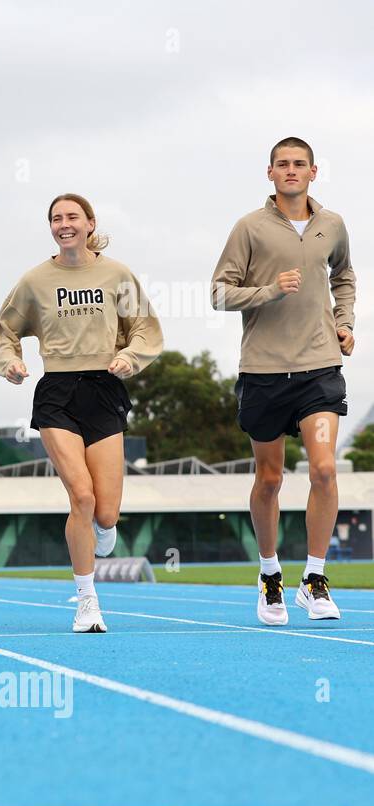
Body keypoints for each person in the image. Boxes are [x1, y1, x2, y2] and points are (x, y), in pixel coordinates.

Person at [0, 193, 164, 633]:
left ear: (89, 223)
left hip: (104, 390)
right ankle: (87, 600)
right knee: (81, 497)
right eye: (55, 218)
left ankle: (103, 529)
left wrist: (131, 357)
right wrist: (9, 362)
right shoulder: (35, 280)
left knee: (105, 512)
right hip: (57, 393)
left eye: (72, 217)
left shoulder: (116, 274)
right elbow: (6, 329)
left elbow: (145, 328)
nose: (64, 224)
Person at [211, 137, 356, 626]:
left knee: (324, 470)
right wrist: (270, 290)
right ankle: (270, 574)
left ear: (314, 171)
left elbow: (345, 276)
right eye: (282, 165)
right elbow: (218, 294)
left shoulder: (332, 225)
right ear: (270, 173)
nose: (291, 171)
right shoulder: (249, 228)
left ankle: (314, 579)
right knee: (270, 478)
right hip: (264, 372)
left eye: (299, 164)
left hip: (319, 367)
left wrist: (346, 322)